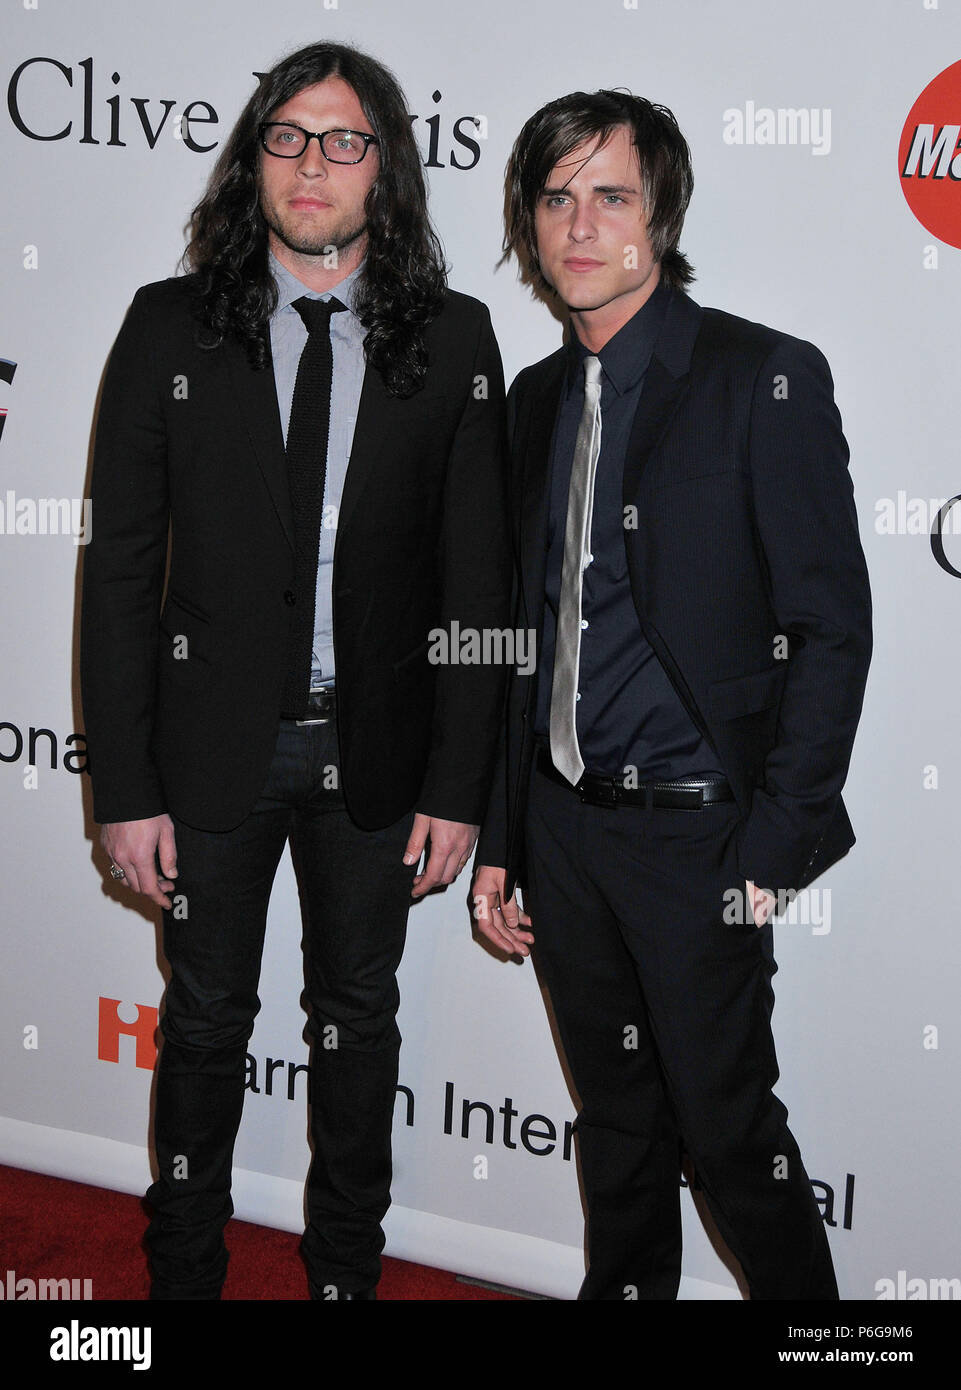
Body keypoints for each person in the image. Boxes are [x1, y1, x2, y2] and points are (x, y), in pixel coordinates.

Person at [80, 40, 510, 1301]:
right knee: (207, 1024)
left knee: (358, 1023)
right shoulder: (169, 323)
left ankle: (343, 1279)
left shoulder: (455, 337)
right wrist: (122, 784)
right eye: (288, 135)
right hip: (210, 756)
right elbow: (115, 576)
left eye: (344, 139)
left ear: (386, 168)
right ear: (252, 156)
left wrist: (460, 786)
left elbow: (478, 594)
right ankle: (180, 1286)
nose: (312, 163)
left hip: (371, 758)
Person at [473, 89, 872, 1300]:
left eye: (612, 196)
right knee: (620, 1131)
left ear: (663, 213)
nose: (581, 226)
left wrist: (769, 845)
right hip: (568, 833)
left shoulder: (763, 378)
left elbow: (832, 629)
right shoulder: (536, 400)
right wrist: (505, 835)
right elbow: (520, 637)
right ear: (529, 225)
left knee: (732, 1138)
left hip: (704, 840)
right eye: (556, 198)